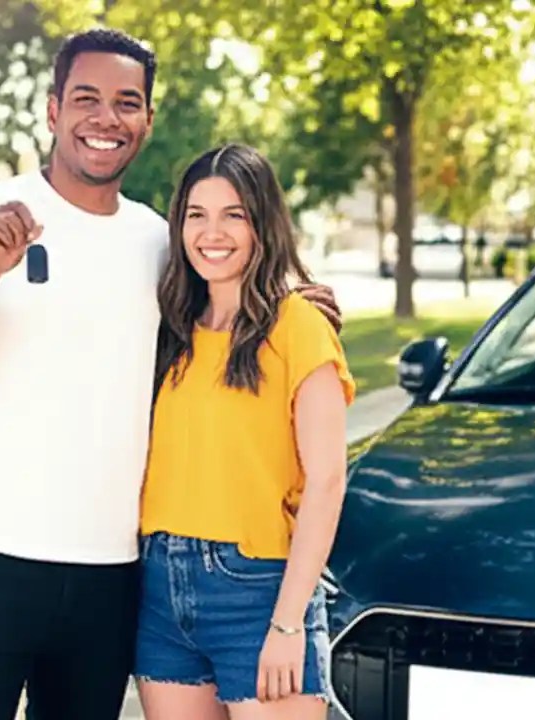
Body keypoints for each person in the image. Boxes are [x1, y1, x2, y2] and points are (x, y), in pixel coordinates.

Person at [0, 27, 341, 720]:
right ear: (52, 110)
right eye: (86, 98)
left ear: (148, 120)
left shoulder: (161, 243)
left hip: (110, 575)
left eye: (127, 102)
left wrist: (288, 308)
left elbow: (227, 300)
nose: (107, 118)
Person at [135, 144, 354, 719]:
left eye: (234, 214)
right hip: (159, 589)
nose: (213, 232)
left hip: (258, 591)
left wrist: (287, 622)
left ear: (263, 224)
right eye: (196, 214)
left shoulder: (300, 326)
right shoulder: (168, 332)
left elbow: (329, 481)